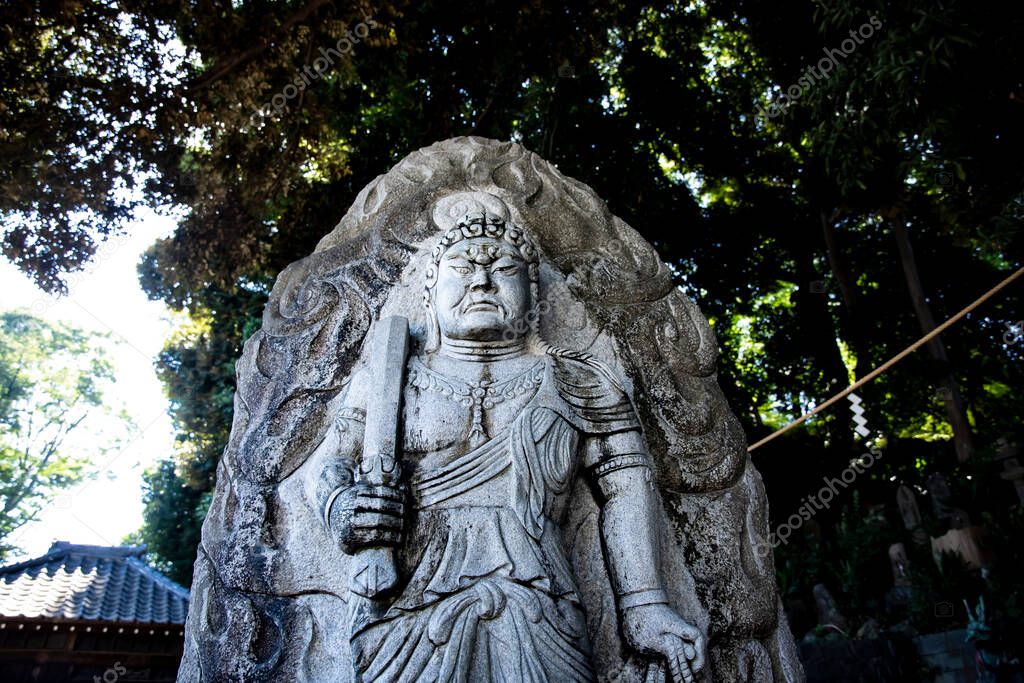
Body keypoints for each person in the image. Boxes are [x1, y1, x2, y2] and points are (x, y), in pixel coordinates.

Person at [318, 210, 704, 683]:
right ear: (429, 292)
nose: (482, 283)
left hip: (542, 603)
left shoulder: (579, 380)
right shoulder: (391, 380)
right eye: (462, 270)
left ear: (533, 293)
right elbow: (334, 462)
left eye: (502, 270)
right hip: (403, 605)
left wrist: (644, 605)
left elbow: (627, 486)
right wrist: (343, 507)